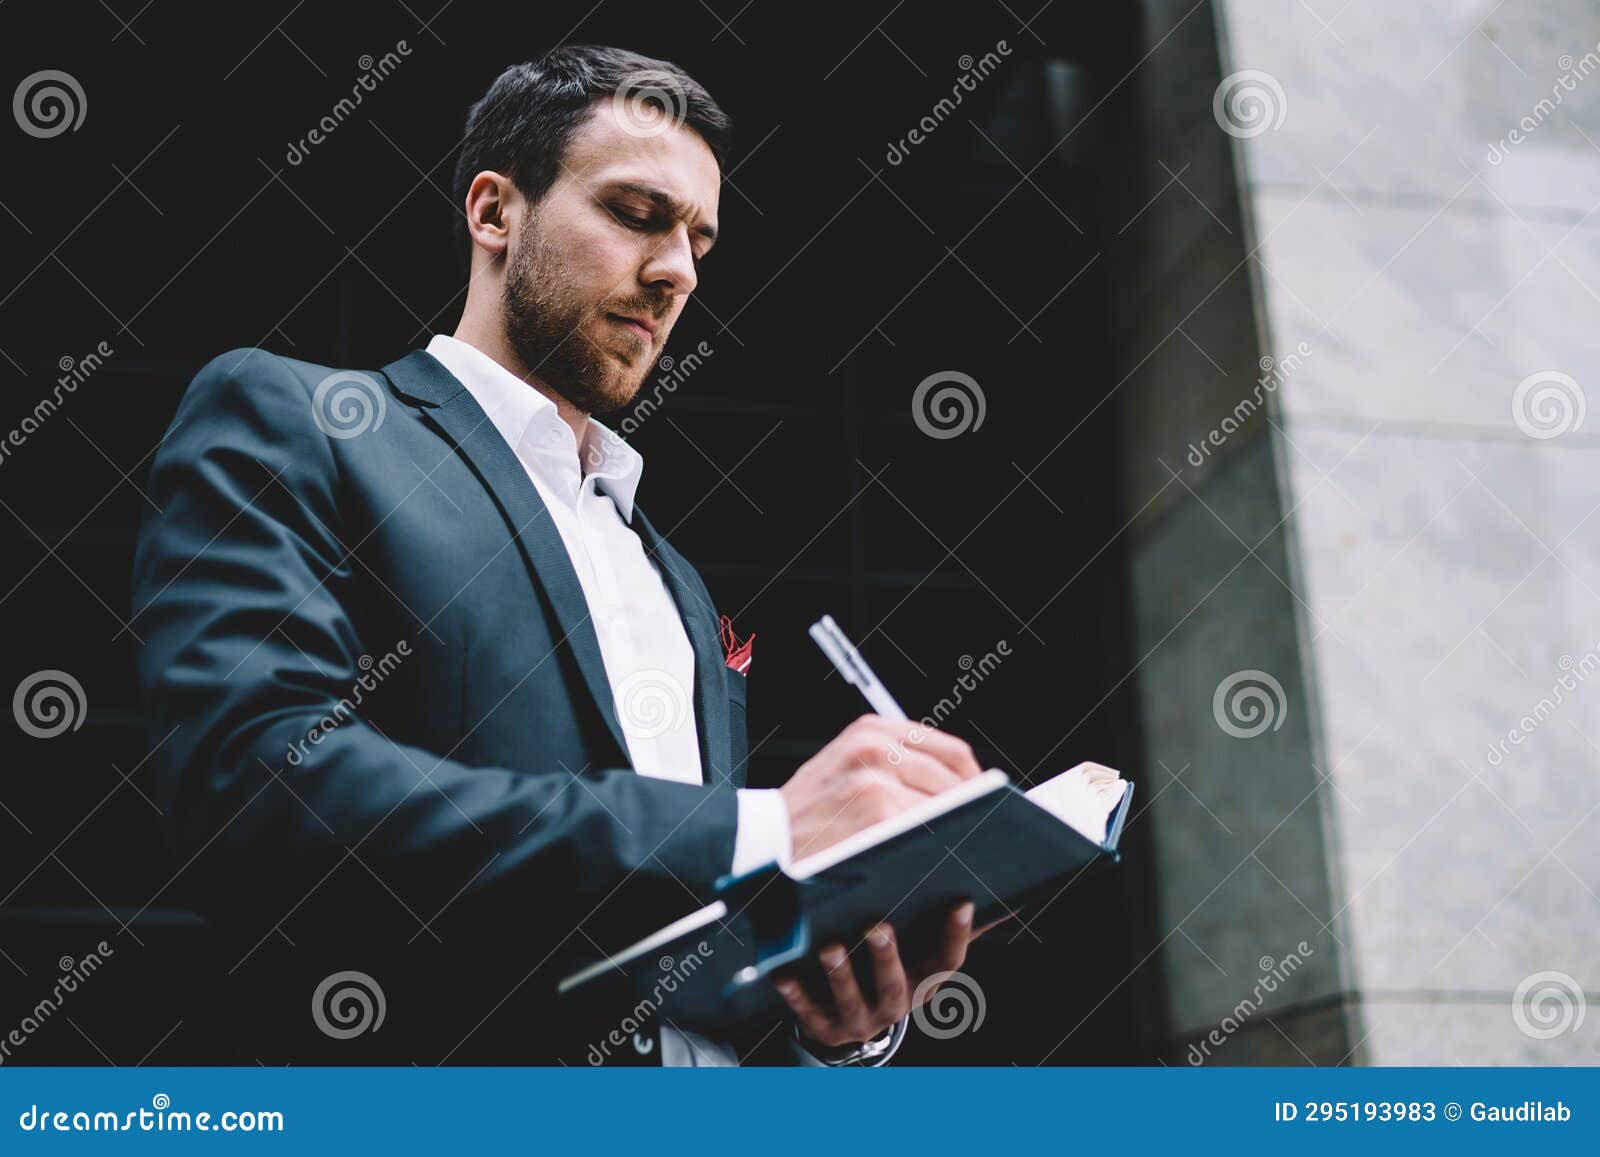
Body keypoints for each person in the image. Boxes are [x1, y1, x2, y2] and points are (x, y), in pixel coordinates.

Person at [131, 44, 990, 1066]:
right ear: (494, 211)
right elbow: (255, 782)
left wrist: (836, 1022)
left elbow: (674, 937)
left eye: (699, 240)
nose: (678, 272)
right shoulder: (297, 418)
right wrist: (761, 830)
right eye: (636, 213)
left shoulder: (677, 580)